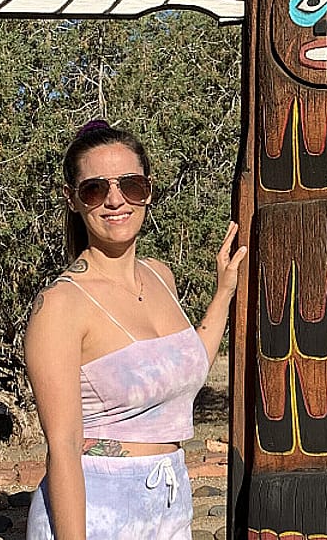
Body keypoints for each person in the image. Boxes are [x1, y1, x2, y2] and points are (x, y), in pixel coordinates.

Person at [24, 120, 246, 540]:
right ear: (73, 200)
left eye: (131, 185)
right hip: (99, 506)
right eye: (95, 189)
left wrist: (222, 296)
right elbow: (64, 447)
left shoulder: (161, 277)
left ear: (149, 190)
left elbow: (187, 364)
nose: (115, 200)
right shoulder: (60, 305)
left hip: (170, 496)